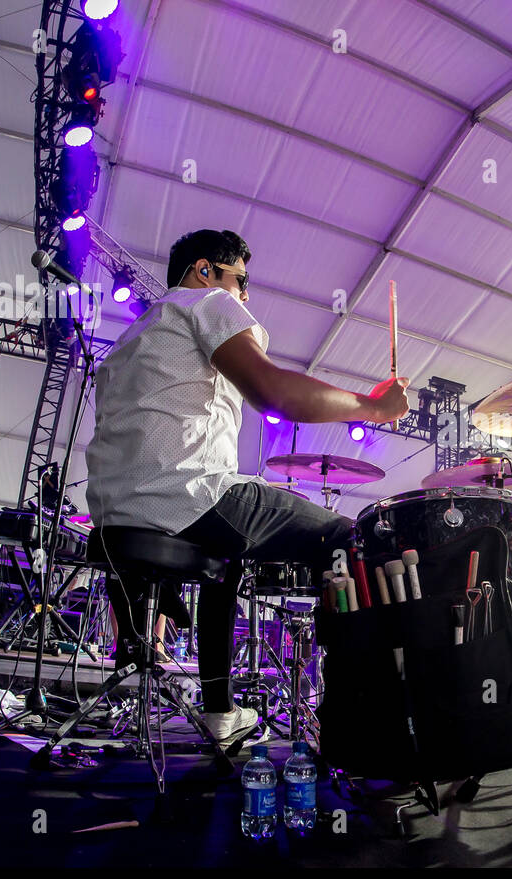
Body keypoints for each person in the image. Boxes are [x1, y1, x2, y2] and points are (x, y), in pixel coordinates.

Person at [86, 229, 410, 746]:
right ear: (204, 271)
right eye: (241, 280)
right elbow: (274, 393)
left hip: (116, 513)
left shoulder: (132, 338)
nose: (245, 294)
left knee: (229, 558)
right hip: (186, 494)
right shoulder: (207, 302)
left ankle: (220, 712)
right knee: (349, 535)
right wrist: (373, 407)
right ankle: (358, 718)